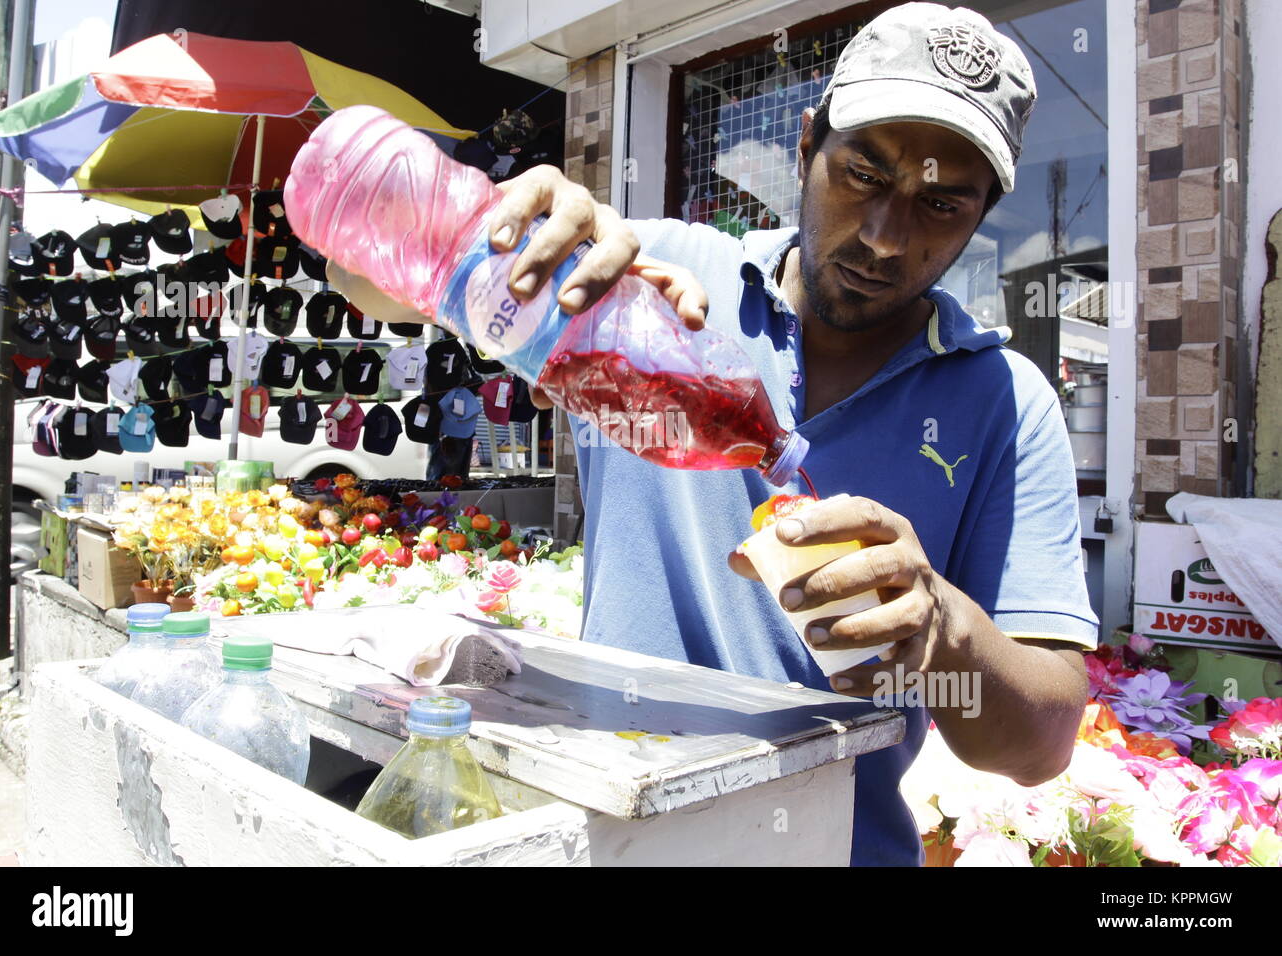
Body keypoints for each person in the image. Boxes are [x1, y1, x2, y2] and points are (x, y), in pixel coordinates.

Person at [331, 2, 1097, 866]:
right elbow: (359, 276)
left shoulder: (1002, 400)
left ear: (983, 213)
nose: (886, 238)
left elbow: (1042, 743)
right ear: (807, 145)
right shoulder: (653, 283)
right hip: (611, 837)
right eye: (865, 175)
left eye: (941, 204)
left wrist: (941, 630)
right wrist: (487, 225)